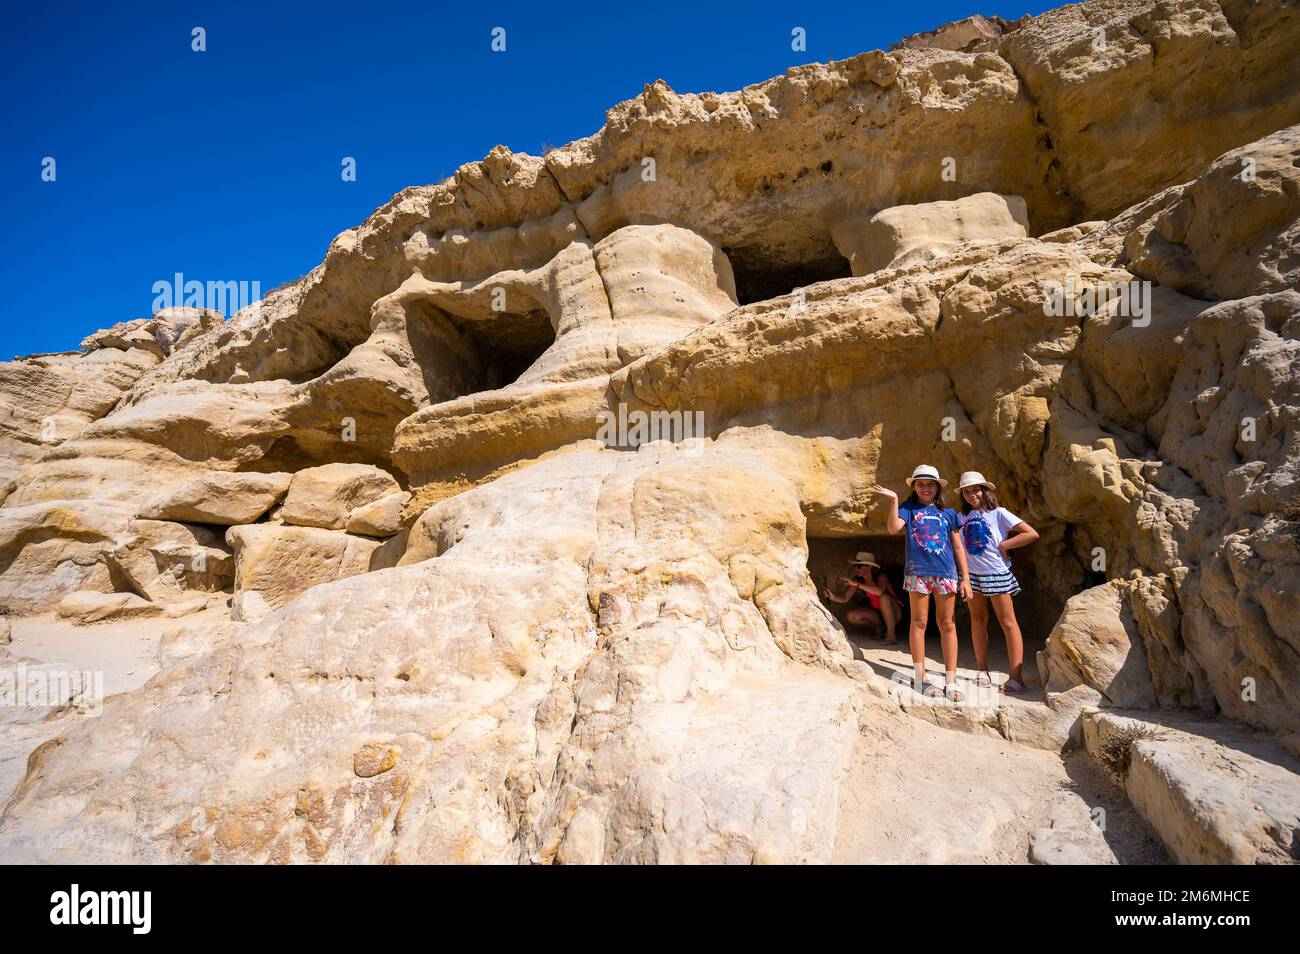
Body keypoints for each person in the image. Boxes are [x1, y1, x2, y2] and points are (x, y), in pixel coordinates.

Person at [873, 465, 972, 701]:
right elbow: (892, 528)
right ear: (914, 487)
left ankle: (951, 680)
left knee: (947, 623)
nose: (925, 488)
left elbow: (958, 546)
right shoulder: (908, 509)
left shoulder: (949, 513)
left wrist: (965, 578)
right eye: (920, 484)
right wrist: (894, 500)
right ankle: (920, 677)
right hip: (918, 573)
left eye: (930, 484)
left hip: (946, 573)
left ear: (937, 487)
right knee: (919, 622)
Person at [956, 471, 1039, 694]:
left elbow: (1031, 534)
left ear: (985, 491)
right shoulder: (961, 517)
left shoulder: (999, 513)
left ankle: (1016, 677)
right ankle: (982, 670)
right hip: (972, 576)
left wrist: (1005, 546)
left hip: (996, 573)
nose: (971, 494)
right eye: (967, 491)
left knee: (1008, 622)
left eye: (976, 490)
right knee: (978, 619)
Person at [823, 551, 903, 644]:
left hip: (894, 613)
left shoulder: (881, 577)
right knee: (851, 616)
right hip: (877, 614)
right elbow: (845, 598)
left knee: (884, 598)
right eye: (855, 566)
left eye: (859, 566)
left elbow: (880, 591)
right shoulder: (858, 580)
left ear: (869, 567)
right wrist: (832, 597)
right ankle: (879, 628)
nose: (856, 569)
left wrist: (857, 585)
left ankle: (891, 636)